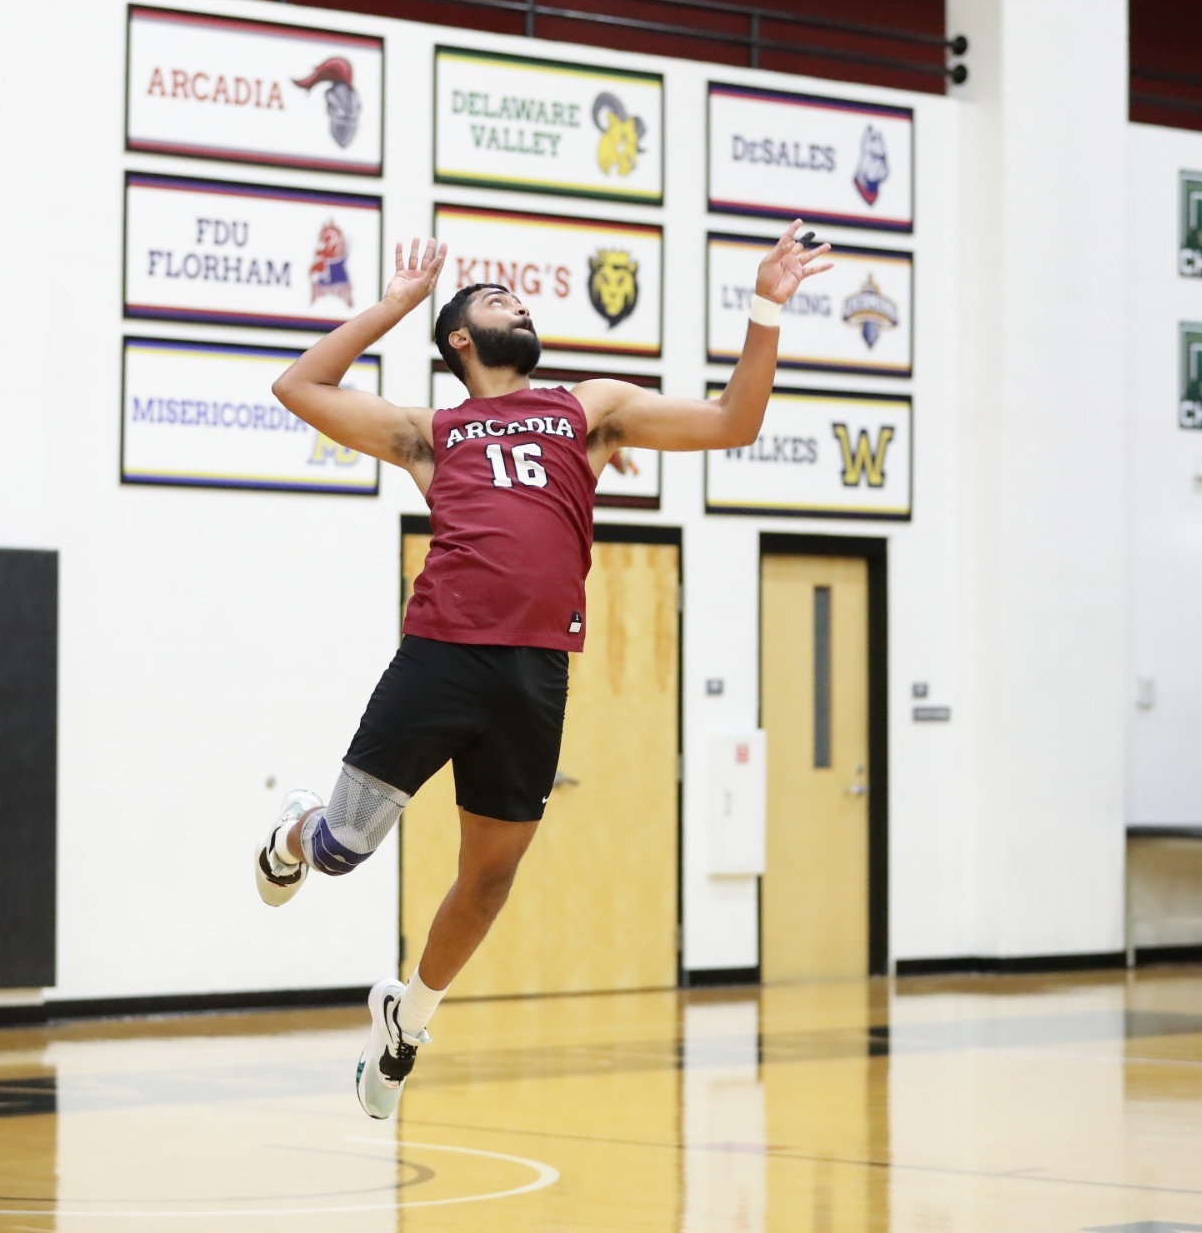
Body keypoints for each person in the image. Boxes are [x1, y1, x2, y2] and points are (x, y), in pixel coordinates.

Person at [256, 221, 832, 1119]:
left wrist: (765, 304)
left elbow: (734, 420)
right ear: (459, 338)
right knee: (343, 849)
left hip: (535, 675)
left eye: (520, 301)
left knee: (489, 878)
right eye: (496, 301)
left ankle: (406, 1020)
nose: (518, 305)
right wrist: (395, 303)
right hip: (440, 657)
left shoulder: (586, 409)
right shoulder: (431, 431)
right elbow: (299, 385)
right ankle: (296, 830)